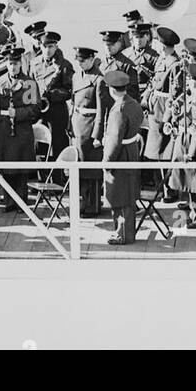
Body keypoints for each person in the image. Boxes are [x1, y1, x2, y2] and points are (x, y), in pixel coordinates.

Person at [0, 46, 40, 212]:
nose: (13, 67)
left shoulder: (28, 84)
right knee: (7, 166)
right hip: (4, 131)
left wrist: (17, 113)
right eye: (10, 63)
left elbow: (34, 109)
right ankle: (9, 201)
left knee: (21, 167)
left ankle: (22, 202)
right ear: (6, 64)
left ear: (21, 63)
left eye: (16, 63)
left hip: (22, 130)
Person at [100, 67, 142, 246]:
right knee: (128, 193)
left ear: (111, 89)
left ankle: (122, 233)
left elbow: (115, 140)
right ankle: (123, 231)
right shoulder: (133, 103)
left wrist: (106, 162)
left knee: (120, 195)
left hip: (120, 155)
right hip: (131, 151)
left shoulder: (118, 110)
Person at [71, 46, 105, 216]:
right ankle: (83, 202)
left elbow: (102, 111)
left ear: (92, 59)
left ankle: (94, 204)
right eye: (78, 60)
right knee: (80, 168)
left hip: (91, 128)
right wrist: (71, 124)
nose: (80, 63)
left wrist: (98, 135)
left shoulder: (99, 80)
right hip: (78, 126)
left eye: (83, 60)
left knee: (92, 170)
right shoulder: (76, 77)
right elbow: (73, 103)